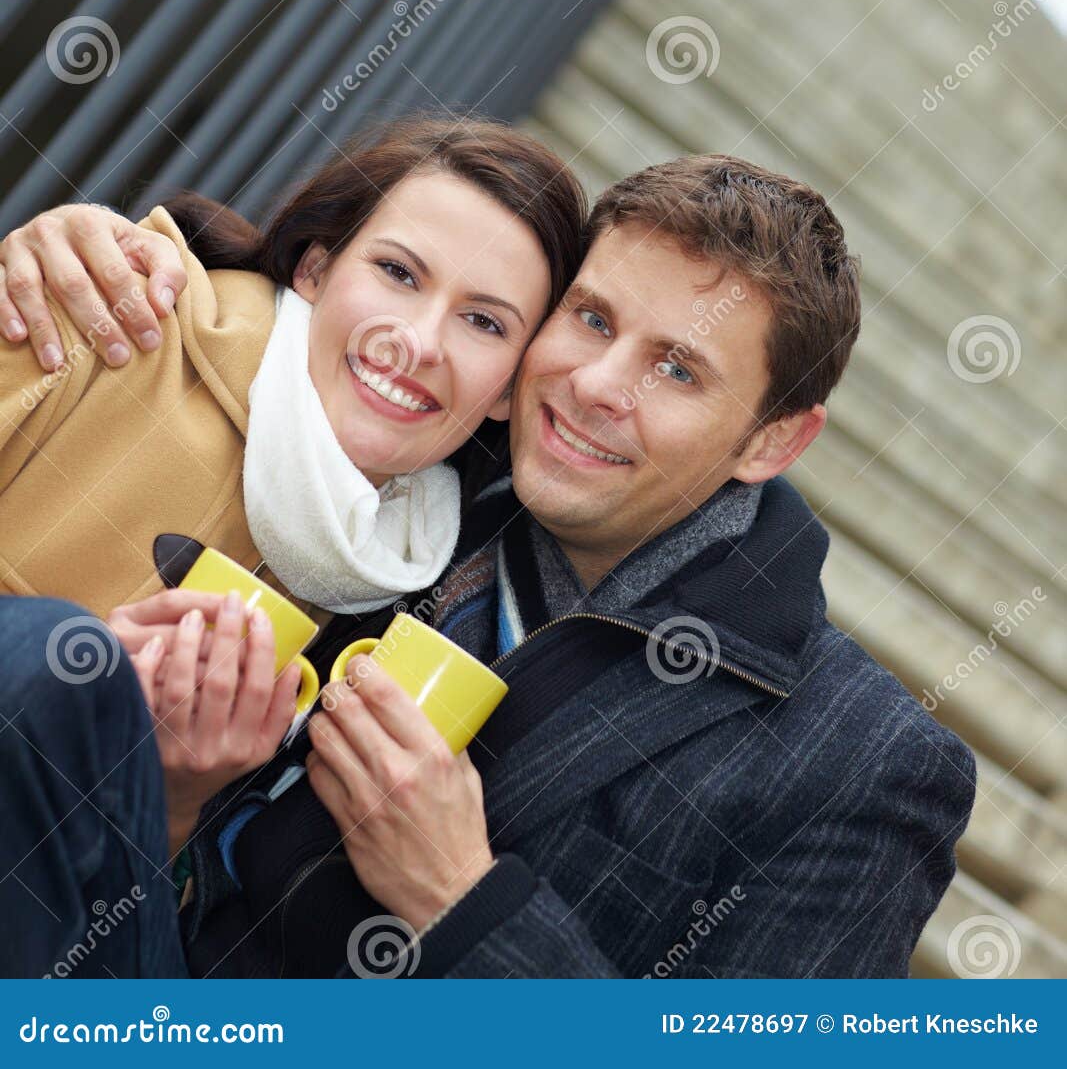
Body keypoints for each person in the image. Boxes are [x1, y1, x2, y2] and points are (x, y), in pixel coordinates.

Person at [0, 151, 975, 979]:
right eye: (591, 319)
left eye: (675, 369)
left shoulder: (866, 764)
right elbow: (302, 310)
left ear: (771, 441)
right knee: (54, 673)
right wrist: (106, 248)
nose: (593, 387)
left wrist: (460, 898)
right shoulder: (418, 473)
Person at [0, 115, 586, 973]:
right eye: (395, 273)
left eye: (484, 323)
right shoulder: (104, 313)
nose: (416, 342)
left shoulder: (417, 595)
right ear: (315, 267)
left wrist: (172, 795)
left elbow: (117, 910)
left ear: (509, 391)